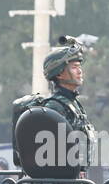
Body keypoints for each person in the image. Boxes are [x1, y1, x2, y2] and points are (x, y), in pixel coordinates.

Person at [37, 36, 95, 170]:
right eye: (74, 67)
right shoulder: (54, 107)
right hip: (60, 182)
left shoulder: (73, 104)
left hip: (75, 179)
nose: (80, 71)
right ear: (59, 74)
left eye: (79, 66)